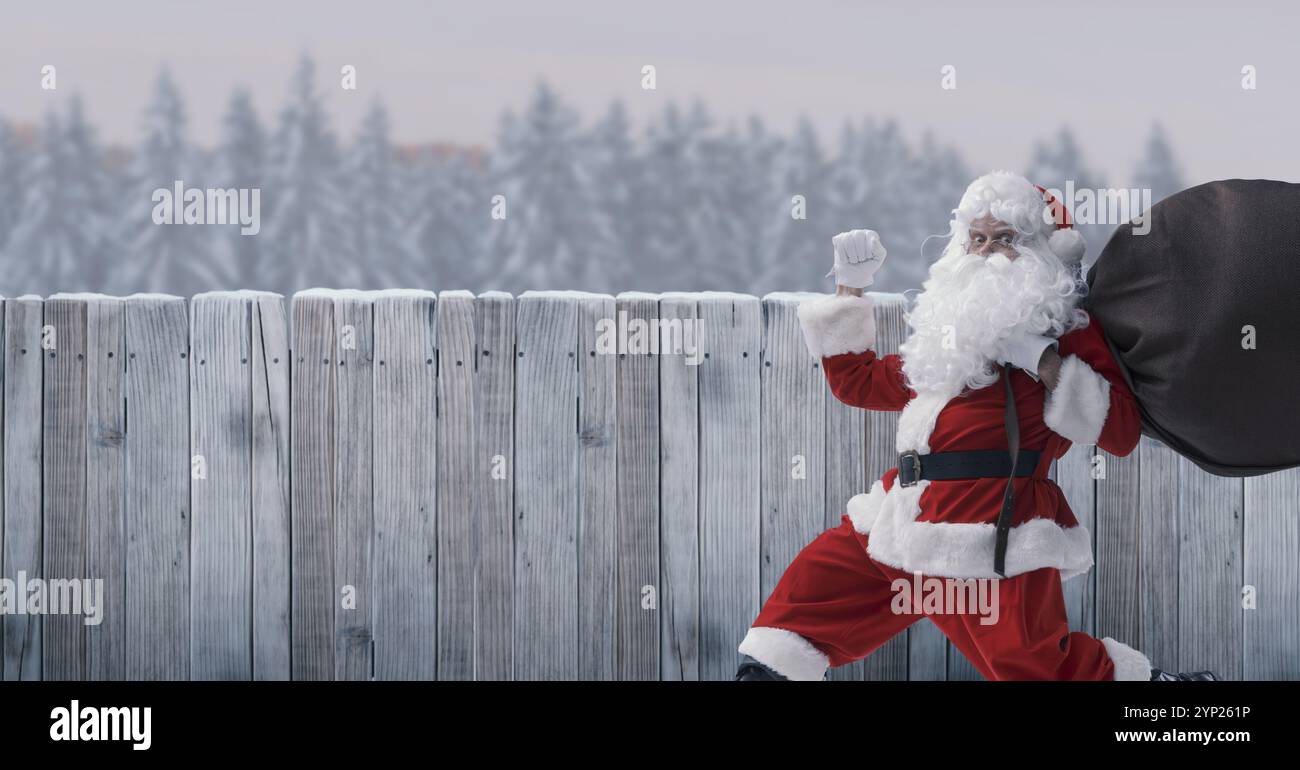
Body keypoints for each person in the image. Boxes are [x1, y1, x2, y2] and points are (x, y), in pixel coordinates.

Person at [736, 171, 1217, 682]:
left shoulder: (1070, 333)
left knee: (1038, 670)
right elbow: (857, 384)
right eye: (978, 238)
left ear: (1039, 250)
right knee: (791, 629)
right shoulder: (950, 338)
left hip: (990, 534)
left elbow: (1119, 431)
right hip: (895, 524)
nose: (987, 251)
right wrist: (850, 288)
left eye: (1005, 239)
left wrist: (1042, 360)